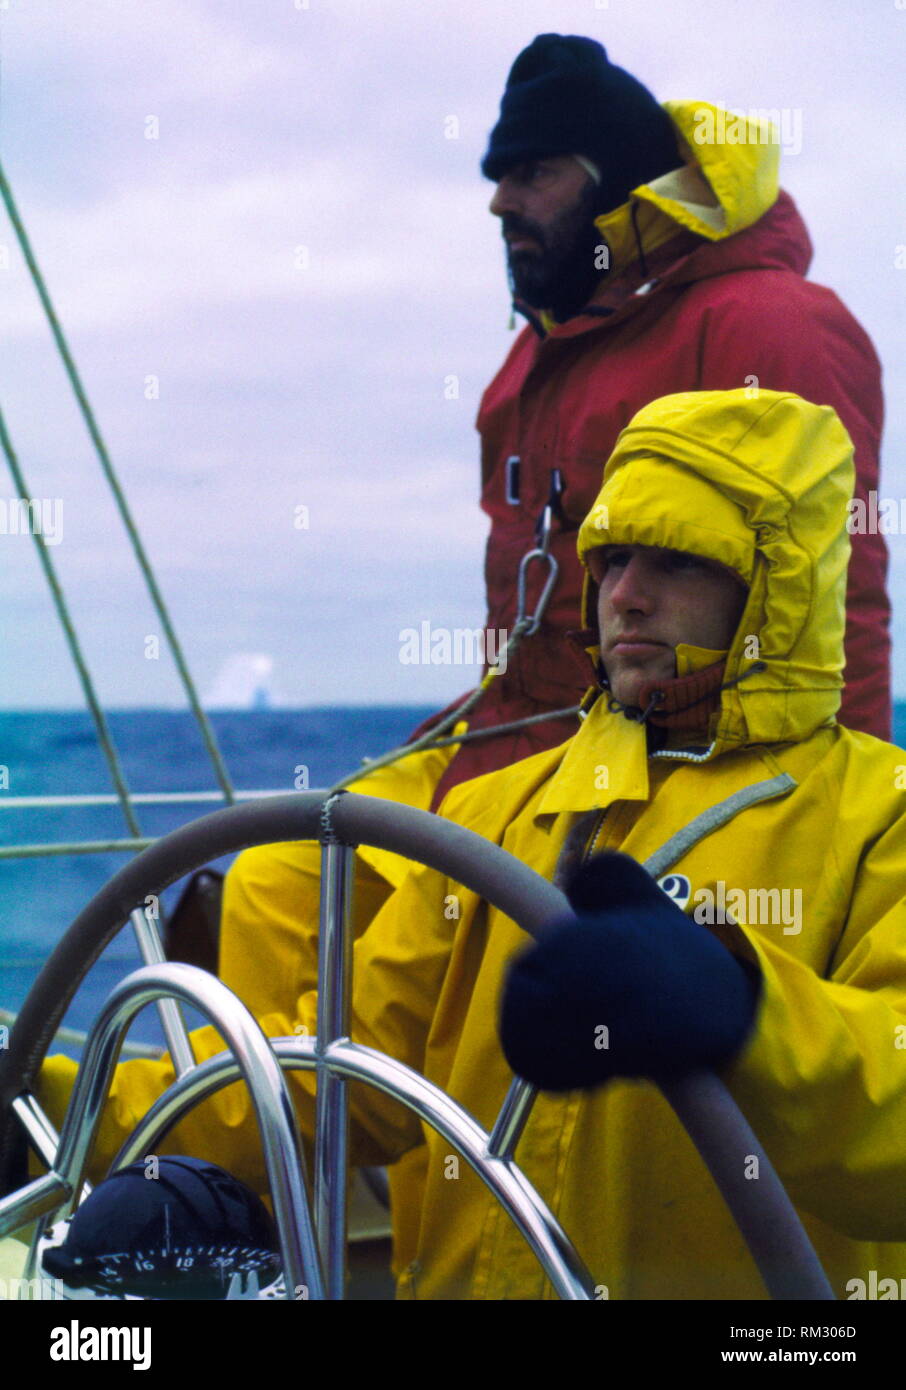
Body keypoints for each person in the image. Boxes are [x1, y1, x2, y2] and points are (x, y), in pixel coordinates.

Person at [213, 32, 893, 1268]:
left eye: (529, 171)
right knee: (273, 873)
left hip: (715, 743)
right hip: (537, 742)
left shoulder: (769, 323)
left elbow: (825, 586)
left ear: (611, 183)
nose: (499, 200)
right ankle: (232, 1189)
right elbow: (531, 608)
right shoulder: (538, 352)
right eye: (495, 172)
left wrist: (801, 795)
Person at [34, 388, 906, 1299]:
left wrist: (748, 1013)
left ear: (776, 582)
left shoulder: (881, 818)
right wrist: (63, 1115)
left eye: (677, 561)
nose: (627, 596)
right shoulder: (494, 816)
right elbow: (335, 1080)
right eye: (611, 562)